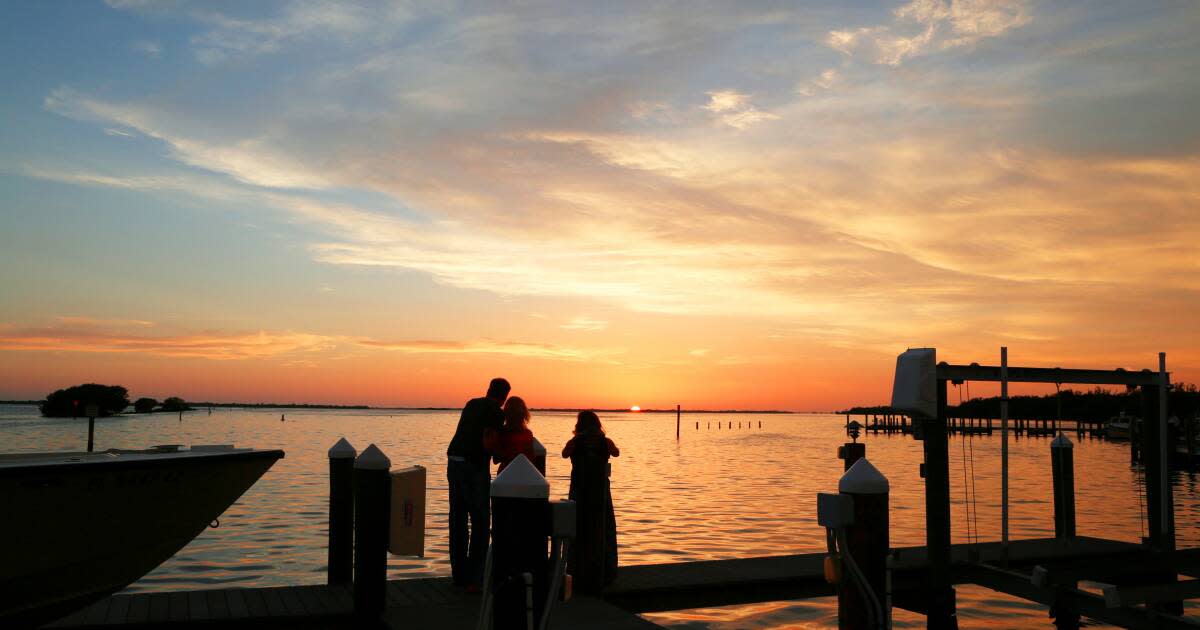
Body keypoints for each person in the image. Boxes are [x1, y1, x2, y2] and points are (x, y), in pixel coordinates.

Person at [447, 377, 510, 590]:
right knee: (480, 522)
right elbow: (489, 442)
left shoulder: (472, 404)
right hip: (474, 465)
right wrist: (505, 455)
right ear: (504, 397)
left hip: (454, 460)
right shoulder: (497, 413)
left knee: (457, 520)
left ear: (488, 390)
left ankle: (458, 576)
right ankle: (475, 579)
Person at [561, 410, 619, 593]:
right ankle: (603, 571)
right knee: (601, 529)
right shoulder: (605, 441)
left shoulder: (575, 441)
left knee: (579, 529)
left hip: (579, 490)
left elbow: (564, 454)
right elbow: (616, 453)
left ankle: (577, 572)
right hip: (599, 491)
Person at [493, 396, 536, 473]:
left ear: (506, 413)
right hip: (523, 473)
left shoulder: (501, 432)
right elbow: (531, 458)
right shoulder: (527, 434)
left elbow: (496, 459)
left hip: (504, 473)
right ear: (523, 414)